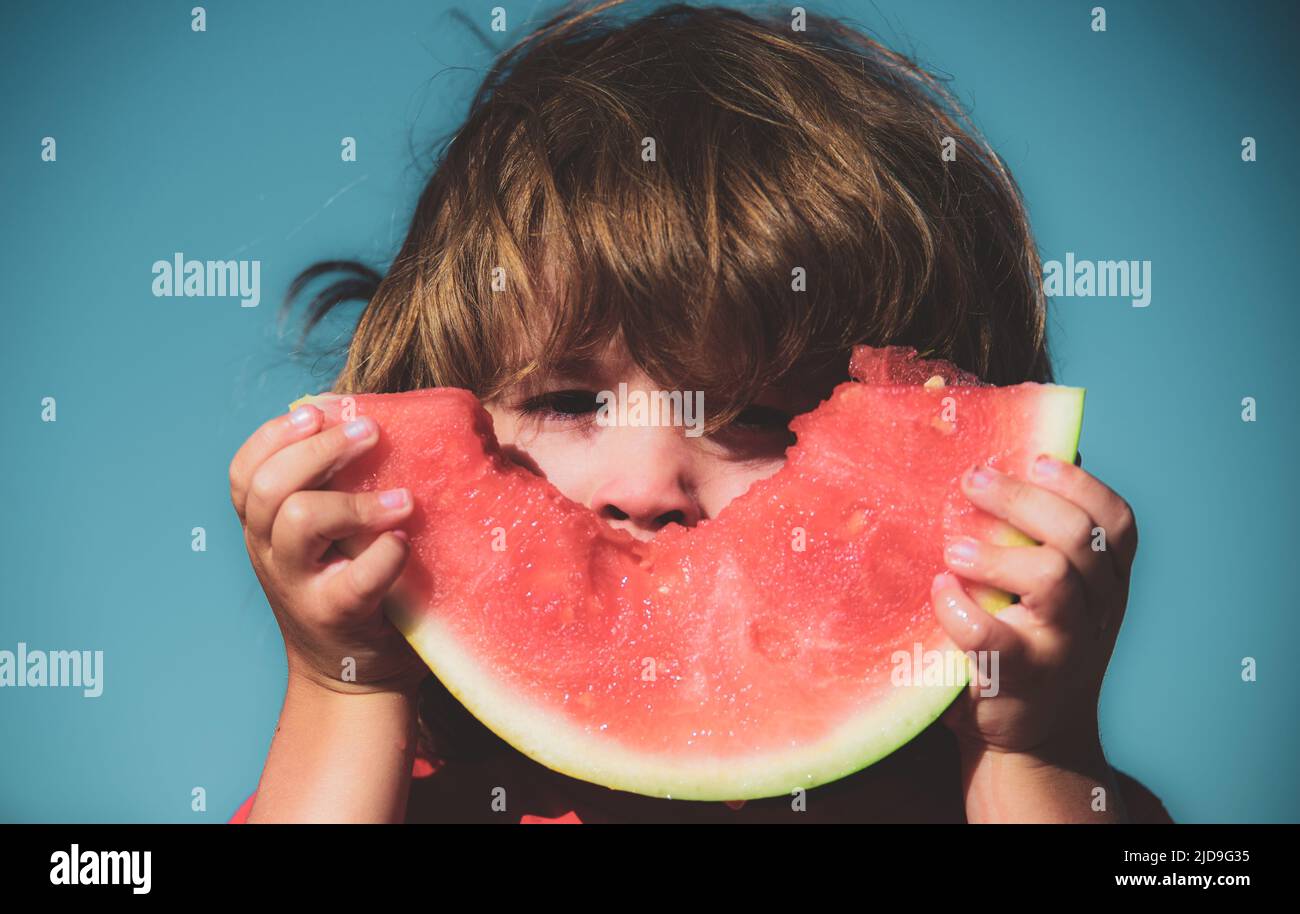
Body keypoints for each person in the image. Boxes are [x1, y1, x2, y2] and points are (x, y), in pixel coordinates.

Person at [227, 0, 1170, 823]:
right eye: (566, 400)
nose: (646, 487)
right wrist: (343, 687)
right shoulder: (412, 798)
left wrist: (1030, 757)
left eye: (756, 415)